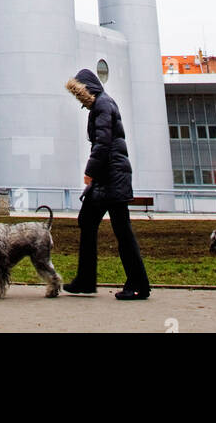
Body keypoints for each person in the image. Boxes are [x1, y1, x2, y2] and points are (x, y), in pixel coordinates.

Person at [64, 67, 150, 300]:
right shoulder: (102, 104)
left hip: (110, 178)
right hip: (110, 177)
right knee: (91, 223)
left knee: (120, 231)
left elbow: (102, 142)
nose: (81, 101)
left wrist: (89, 172)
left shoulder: (102, 105)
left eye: (81, 94)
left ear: (88, 89)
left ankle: (138, 285)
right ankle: (86, 280)